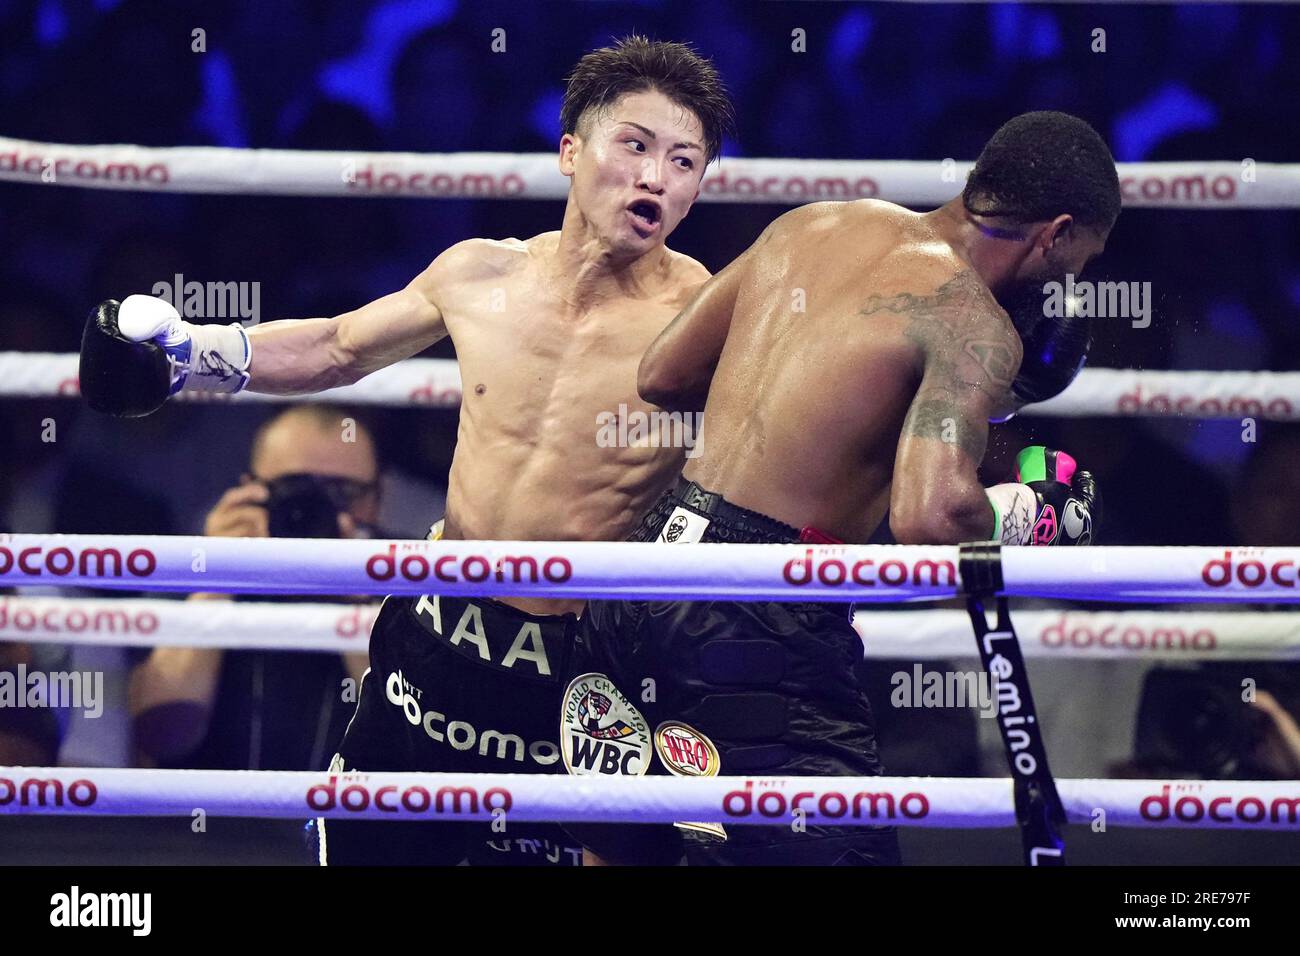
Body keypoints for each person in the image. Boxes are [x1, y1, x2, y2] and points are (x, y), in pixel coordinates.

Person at [79, 36, 733, 866]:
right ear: (571, 150)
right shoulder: (479, 274)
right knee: (369, 850)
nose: (655, 178)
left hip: (580, 660)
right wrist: (192, 352)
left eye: (684, 162)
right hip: (441, 630)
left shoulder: (706, 324)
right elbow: (339, 346)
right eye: (634, 146)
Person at [562, 111, 1115, 865]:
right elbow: (930, 516)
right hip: (756, 619)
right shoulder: (971, 321)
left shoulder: (816, 224)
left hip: (641, 577)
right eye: (1079, 259)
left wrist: (823, 432)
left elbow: (663, 373)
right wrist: (1036, 515)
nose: (1071, 282)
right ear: (1055, 233)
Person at [128, 404, 378, 773]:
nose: (319, 509)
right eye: (295, 489)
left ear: (377, 499)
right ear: (250, 490)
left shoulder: (412, 575)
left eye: (344, 492)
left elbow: (415, 746)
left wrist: (356, 593)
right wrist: (218, 578)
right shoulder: (192, 566)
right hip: (210, 823)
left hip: (355, 826)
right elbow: (164, 733)